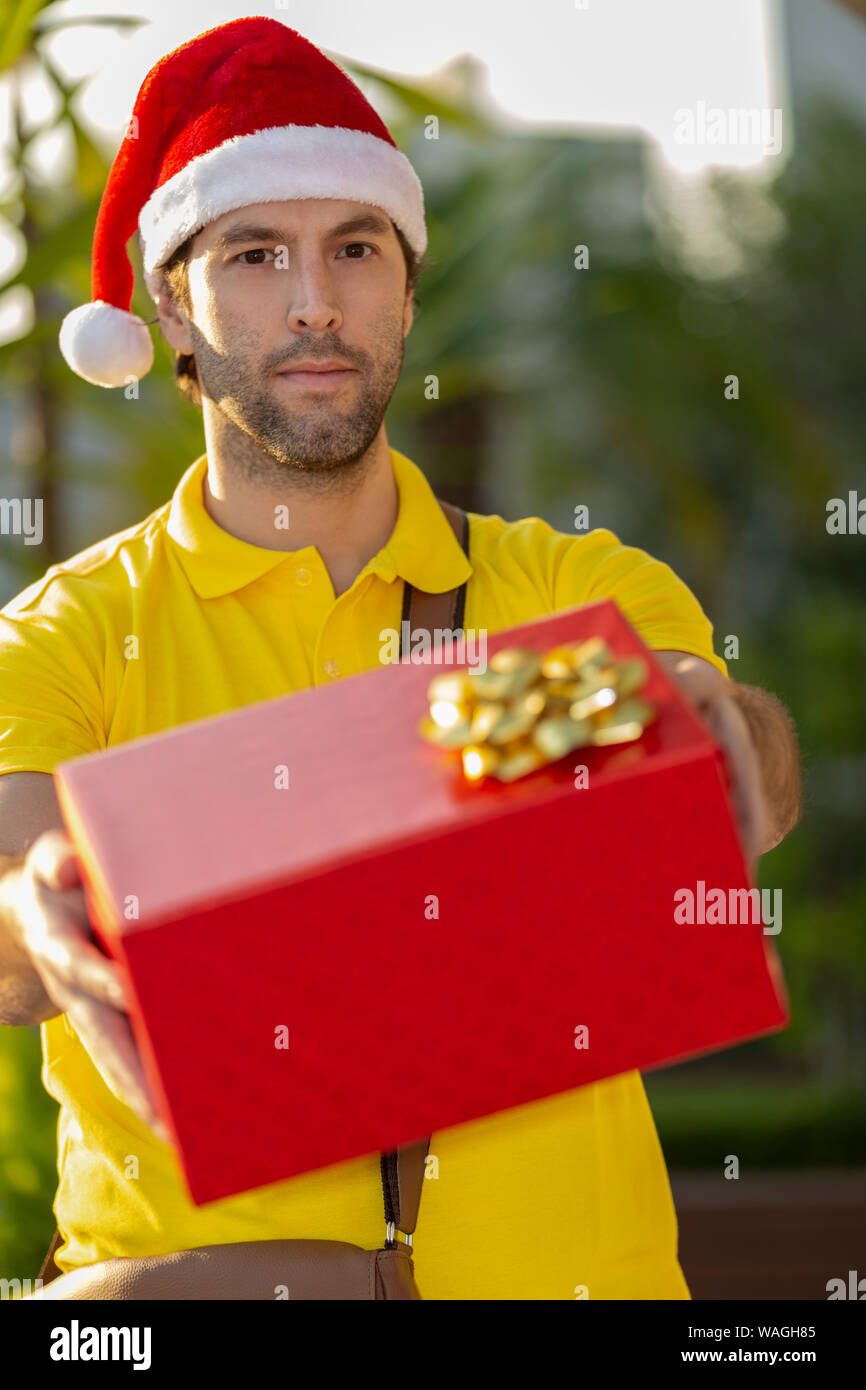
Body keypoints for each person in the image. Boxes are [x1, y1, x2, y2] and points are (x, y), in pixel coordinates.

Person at [0, 16, 800, 1300]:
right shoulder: (69, 632)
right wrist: (41, 916)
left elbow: (737, 777)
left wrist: (722, 736)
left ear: (406, 290)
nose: (315, 301)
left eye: (354, 250)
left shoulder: (562, 585)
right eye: (255, 255)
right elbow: (11, 908)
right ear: (172, 306)